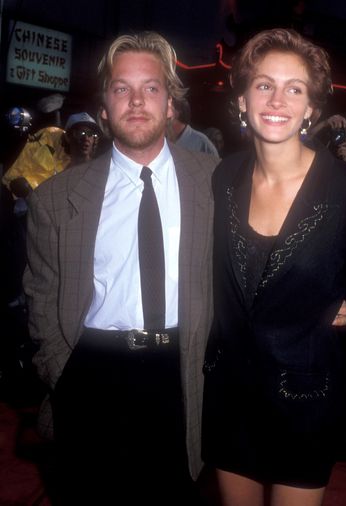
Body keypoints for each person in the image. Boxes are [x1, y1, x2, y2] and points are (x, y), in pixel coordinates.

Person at [201, 28, 346, 506]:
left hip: (304, 401)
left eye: (295, 88)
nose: (278, 99)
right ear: (243, 100)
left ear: (311, 108)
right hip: (230, 395)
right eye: (264, 84)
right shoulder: (222, 177)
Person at [23, 32, 218, 506]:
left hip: (185, 369)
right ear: (105, 108)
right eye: (121, 89)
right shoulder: (55, 197)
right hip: (91, 371)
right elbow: (40, 296)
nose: (136, 100)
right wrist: (60, 372)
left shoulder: (217, 184)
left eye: (151, 88)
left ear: (171, 104)